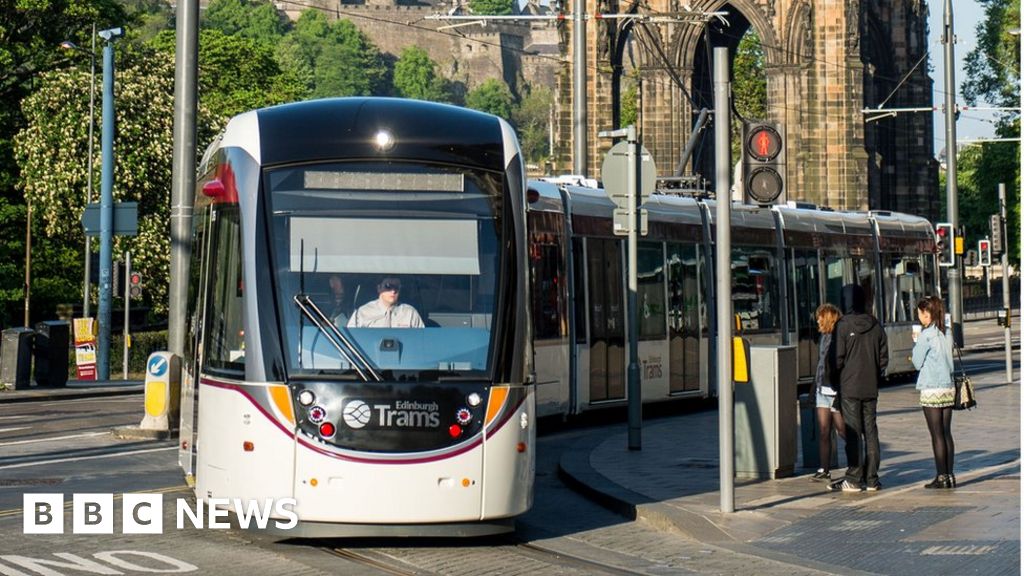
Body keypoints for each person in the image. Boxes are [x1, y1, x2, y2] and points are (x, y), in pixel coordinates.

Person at [827, 283, 888, 493]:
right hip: (870, 387)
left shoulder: (843, 325)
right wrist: (875, 377)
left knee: (853, 432)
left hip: (849, 387)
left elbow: (836, 359)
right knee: (871, 431)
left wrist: (835, 381)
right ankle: (872, 478)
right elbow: (883, 359)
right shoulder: (876, 324)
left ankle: (854, 477)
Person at [912, 296, 956, 489]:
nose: (920, 317)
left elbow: (916, 362)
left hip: (931, 388)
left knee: (936, 434)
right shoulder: (946, 333)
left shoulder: (926, 335)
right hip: (948, 386)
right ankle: (950, 475)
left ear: (927, 314)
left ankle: (941, 476)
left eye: (921, 313)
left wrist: (916, 343)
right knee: (946, 433)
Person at [810, 303, 845, 482]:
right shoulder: (823, 336)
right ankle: (824, 468)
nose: (817, 320)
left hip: (835, 390)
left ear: (828, 318)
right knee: (824, 430)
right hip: (822, 389)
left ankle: (859, 462)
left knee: (841, 429)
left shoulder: (838, 337)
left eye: (820, 317)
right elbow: (821, 363)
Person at [348, 277, 424, 328]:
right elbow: (349, 340)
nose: (393, 291)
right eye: (388, 286)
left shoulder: (410, 313)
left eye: (396, 287)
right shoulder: (362, 312)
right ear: (379, 288)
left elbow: (421, 340)